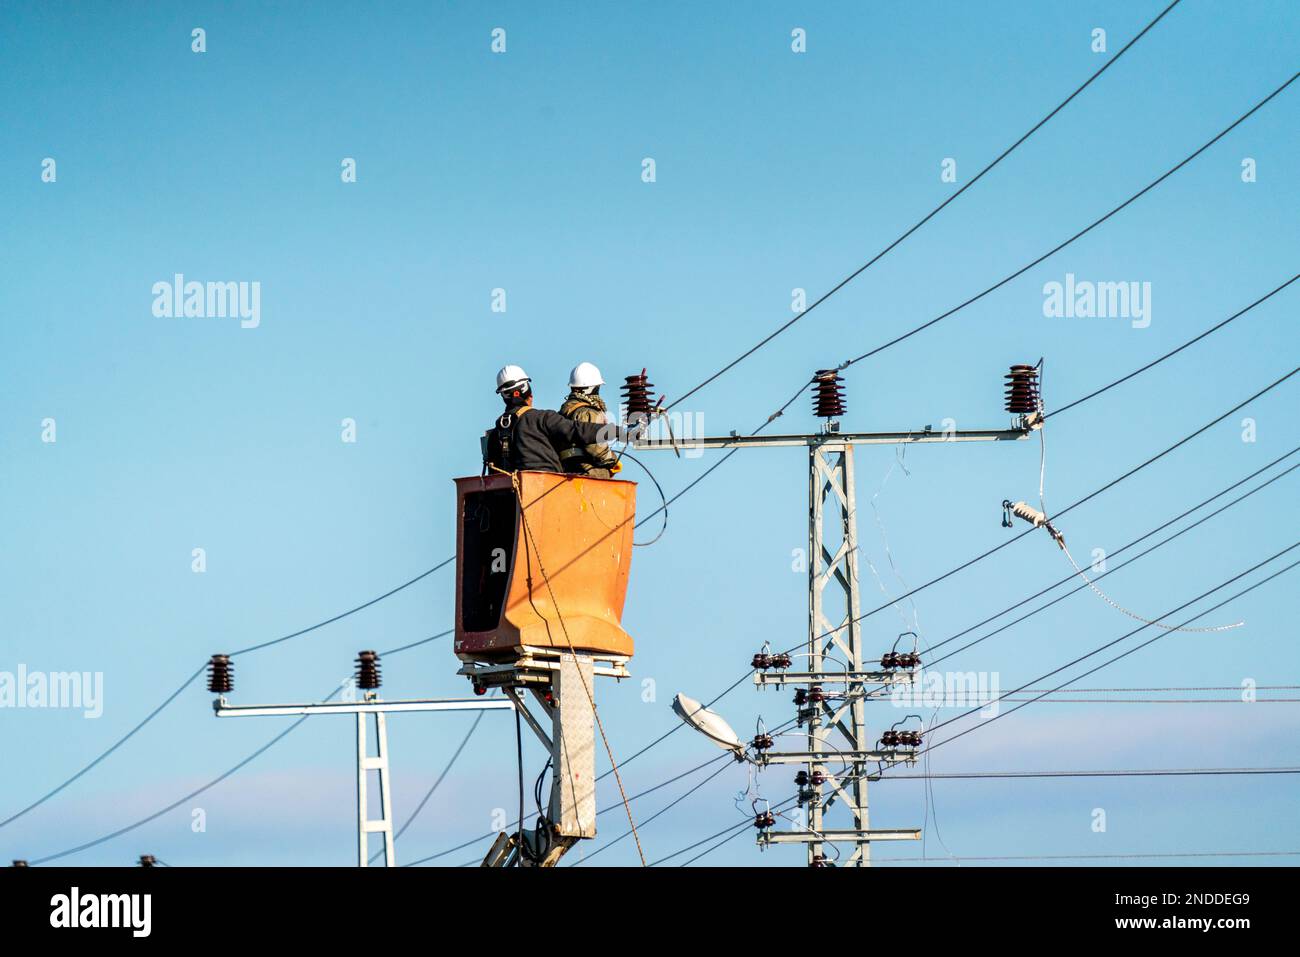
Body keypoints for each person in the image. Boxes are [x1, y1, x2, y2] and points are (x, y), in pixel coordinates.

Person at [483, 364, 635, 475]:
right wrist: (618, 431)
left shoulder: (495, 434)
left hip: (511, 498)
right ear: (526, 391)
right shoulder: (542, 419)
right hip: (548, 491)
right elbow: (578, 431)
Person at [557, 362, 620, 479]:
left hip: (566, 473)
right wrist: (613, 461)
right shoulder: (588, 413)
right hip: (589, 474)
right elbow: (596, 448)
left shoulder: (565, 411)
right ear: (592, 388)